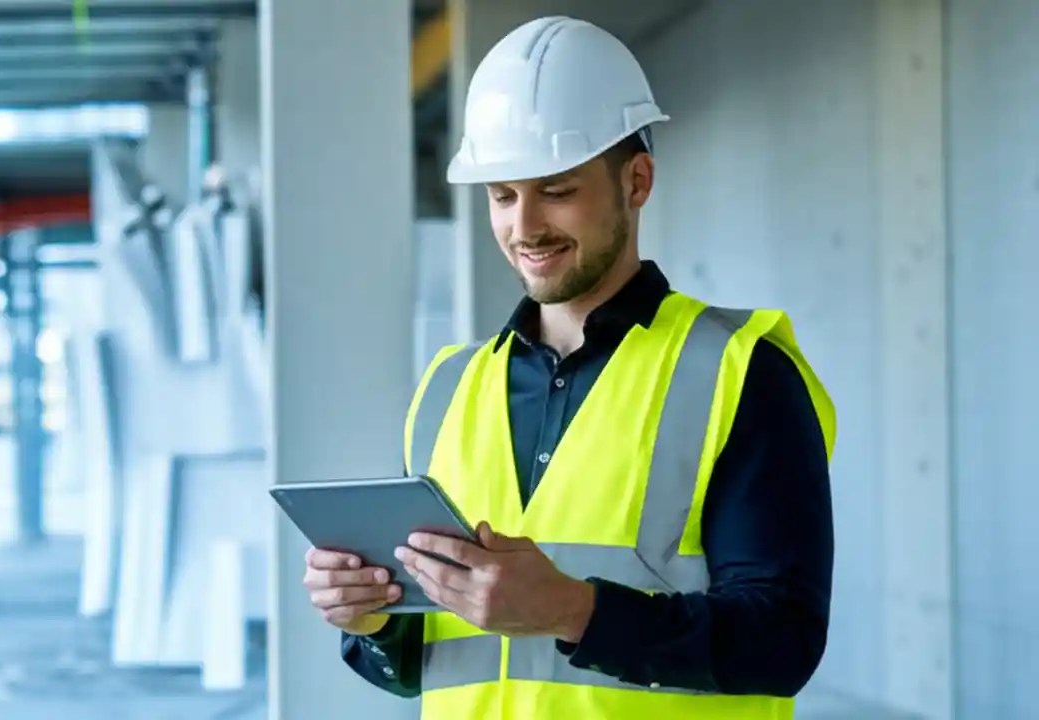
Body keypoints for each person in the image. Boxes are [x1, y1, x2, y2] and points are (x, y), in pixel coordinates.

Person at [301, 15, 835, 720]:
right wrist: (372, 621)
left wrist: (573, 610)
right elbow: (428, 667)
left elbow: (782, 643)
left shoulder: (739, 373)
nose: (524, 227)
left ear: (636, 179)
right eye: (501, 195)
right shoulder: (446, 391)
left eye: (556, 189)